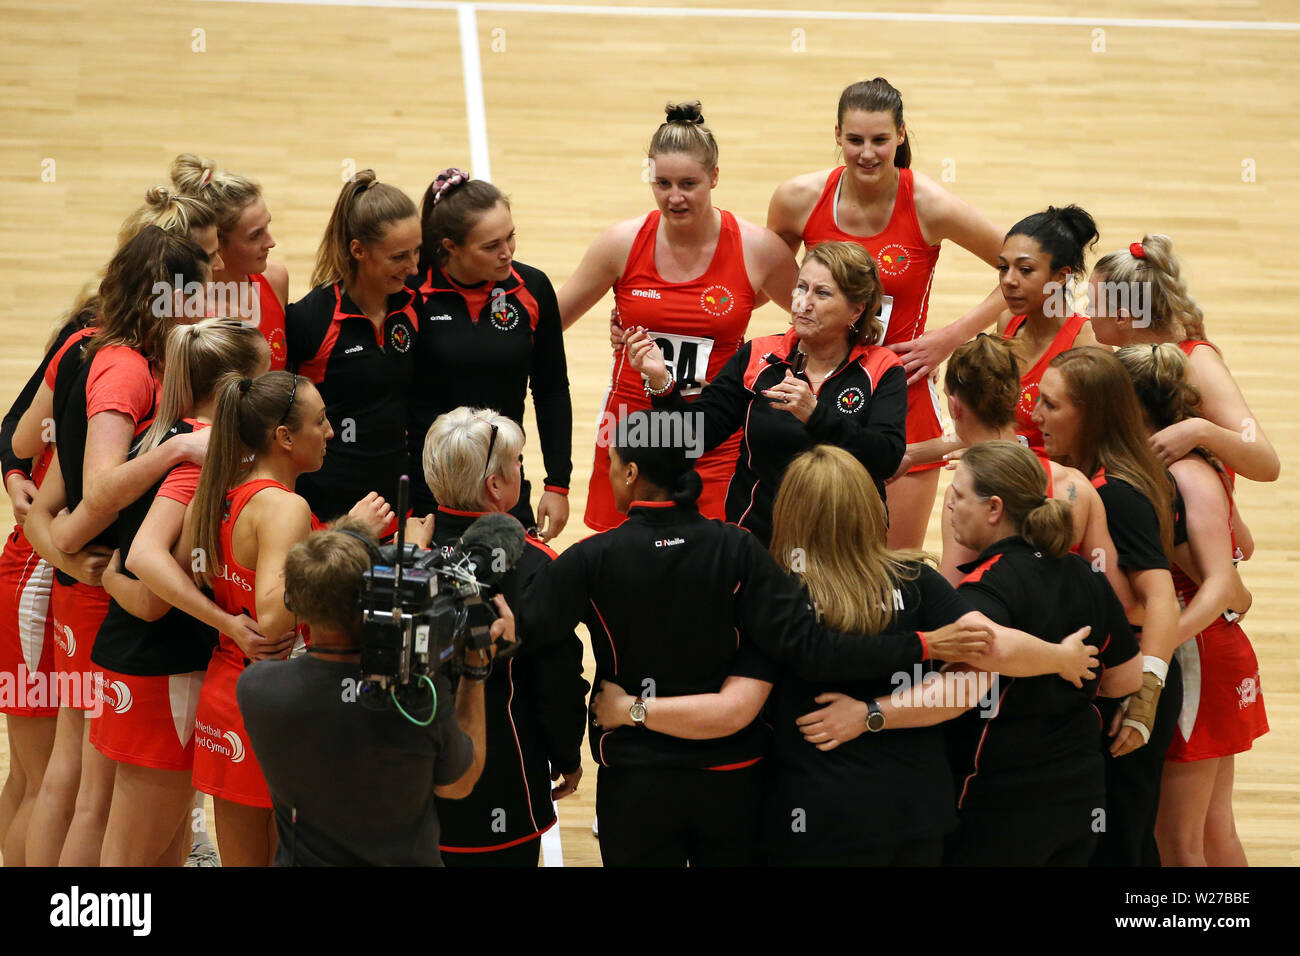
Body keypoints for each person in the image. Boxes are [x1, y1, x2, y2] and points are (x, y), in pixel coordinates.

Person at [524, 409, 1019, 866]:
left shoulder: (596, 559)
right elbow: (978, 665)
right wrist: (1050, 657)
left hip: (705, 792)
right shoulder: (751, 556)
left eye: (611, 462)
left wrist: (595, 730)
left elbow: (538, 645)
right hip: (818, 797)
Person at [590, 443, 1100, 866]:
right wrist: (1059, 657)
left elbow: (734, 710)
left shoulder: (777, 596)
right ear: (869, 506)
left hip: (814, 819)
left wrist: (631, 710)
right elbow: (980, 670)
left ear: (787, 511)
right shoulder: (916, 579)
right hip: (916, 814)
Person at [20, 227, 213, 867]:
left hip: (95, 584)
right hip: (106, 599)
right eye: (200, 295)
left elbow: (56, 497)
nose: (210, 306)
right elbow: (99, 486)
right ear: (170, 300)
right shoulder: (126, 369)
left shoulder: (111, 354)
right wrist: (181, 448)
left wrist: (59, 544)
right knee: (87, 792)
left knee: (83, 787)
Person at [767, 77, 1005, 548]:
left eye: (880, 139)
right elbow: (767, 279)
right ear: (837, 135)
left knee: (890, 567)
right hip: (814, 387)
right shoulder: (797, 198)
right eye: (854, 140)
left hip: (903, 397)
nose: (867, 153)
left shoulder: (929, 204)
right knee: (800, 555)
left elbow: (1023, 270)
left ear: (900, 135)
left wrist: (949, 338)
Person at [558, 100, 799, 531]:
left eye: (689, 183)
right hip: (634, 429)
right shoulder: (620, 243)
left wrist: (767, 371)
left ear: (715, 177)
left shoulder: (758, 248)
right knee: (624, 567)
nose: (675, 197)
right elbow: (549, 324)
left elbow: (813, 320)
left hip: (714, 436)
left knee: (710, 565)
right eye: (662, 183)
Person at [186, 370, 392, 865]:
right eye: (320, 422)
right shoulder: (286, 507)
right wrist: (347, 540)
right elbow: (275, 615)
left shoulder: (222, 487)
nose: (330, 431)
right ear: (283, 437)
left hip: (229, 695)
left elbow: (195, 572)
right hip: (278, 706)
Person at [88, 320, 269, 866]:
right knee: (132, 858)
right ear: (237, 386)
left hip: (138, 658)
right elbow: (146, 559)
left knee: (164, 849)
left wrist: (111, 579)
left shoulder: (163, 435)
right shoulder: (205, 450)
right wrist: (226, 621)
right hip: (162, 668)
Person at [236, 520, 506, 866]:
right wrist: (475, 669)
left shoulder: (257, 688)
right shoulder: (417, 696)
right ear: (372, 601)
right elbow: (459, 784)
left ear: (296, 602)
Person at [625, 240, 905, 546]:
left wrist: (815, 415)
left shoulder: (881, 369)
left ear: (856, 310)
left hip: (845, 547)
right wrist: (662, 381)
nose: (803, 302)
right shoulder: (759, 356)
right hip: (759, 543)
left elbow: (886, 458)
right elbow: (693, 437)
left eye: (822, 293)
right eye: (801, 287)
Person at [944, 441, 1143, 865]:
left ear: (994, 509)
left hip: (1001, 799)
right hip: (1080, 793)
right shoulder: (1087, 576)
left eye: (959, 497)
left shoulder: (985, 586)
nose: (950, 508)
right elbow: (1125, 679)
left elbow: (981, 645)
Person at [1116, 344, 1266, 866]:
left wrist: (1155, 649)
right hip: (1214, 647)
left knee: (1177, 843)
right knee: (1212, 830)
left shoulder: (1177, 474)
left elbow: (1222, 583)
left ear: (1135, 407)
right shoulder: (1195, 466)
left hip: (1197, 653)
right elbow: (1241, 549)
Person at [416, 407, 586, 866]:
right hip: (503, 776)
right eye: (518, 465)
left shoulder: (403, 556)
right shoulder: (536, 564)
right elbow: (559, 680)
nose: (521, 473)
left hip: (409, 783)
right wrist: (567, 755)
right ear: (495, 486)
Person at [1034, 346, 1182, 866]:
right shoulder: (1098, 475)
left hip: (1133, 683)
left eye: (1051, 406)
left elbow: (1161, 596)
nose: (1037, 416)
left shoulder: (1117, 493)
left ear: (1090, 414)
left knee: (1121, 841)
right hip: (1114, 677)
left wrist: (1145, 693)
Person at [407, 170, 572, 538]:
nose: (507, 253)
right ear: (450, 246)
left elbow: (551, 391)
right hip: (428, 488)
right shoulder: (411, 292)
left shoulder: (533, 288)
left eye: (511, 237)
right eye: (490, 245)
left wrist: (558, 484)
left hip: (506, 482)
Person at [930, 334, 1123, 599]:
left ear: (954, 406)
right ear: (1014, 398)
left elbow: (954, 603)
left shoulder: (964, 494)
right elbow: (1112, 591)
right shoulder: (1074, 484)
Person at [1088, 235, 1280, 485]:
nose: (1087, 313)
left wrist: (1200, 431)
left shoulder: (1199, 363)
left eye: (1092, 304)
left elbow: (1265, 461)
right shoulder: (1116, 357)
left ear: (1122, 318)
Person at [287, 170, 422, 523]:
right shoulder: (310, 320)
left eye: (417, 251)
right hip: (327, 506)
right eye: (399, 257)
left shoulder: (414, 305)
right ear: (358, 250)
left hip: (398, 499)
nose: (414, 266)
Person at [993, 205, 1100, 454]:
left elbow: (1094, 449)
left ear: (1061, 276)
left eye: (1025, 270)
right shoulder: (1007, 321)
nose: (1008, 280)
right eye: (1003, 267)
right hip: (1006, 473)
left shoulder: (1087, 344)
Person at [171, 154, 288, 368]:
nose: (271, 243)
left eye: (267, 226)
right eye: (255, 235)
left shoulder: (276, 278)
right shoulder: (190, 313)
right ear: (219, 245)